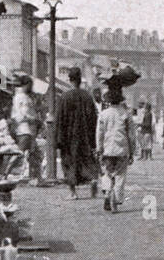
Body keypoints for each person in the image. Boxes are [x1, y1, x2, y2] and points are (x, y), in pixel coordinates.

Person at [56, 66, 99, 199]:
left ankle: (73, 192)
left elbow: (60, 119)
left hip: (69, 137)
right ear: (80, 80)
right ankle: (93, 180)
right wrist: (93, 138)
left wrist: (59, 139)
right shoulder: (87, 96)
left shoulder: (64, 97)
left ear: (70, 80)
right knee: (87, 160)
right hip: (85, 135)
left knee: (69, 162)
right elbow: (93, 118)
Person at [95, 84, 136, 212]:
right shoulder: (126, 114)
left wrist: (99, 149)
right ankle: (116, 200)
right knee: (120, 175)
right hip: (122, 149)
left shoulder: (103, 114)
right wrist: (132, 151)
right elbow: (131, 135)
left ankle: (107, 193)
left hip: (107, 149)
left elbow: (99, 134)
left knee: (107, 173)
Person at [10, 75, 41, 183]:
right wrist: (32, 119)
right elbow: (19, 115)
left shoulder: (27, 97)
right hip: (24, 130)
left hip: (30, 130)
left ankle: (35, 177)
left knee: (34, 154)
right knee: (19, 153)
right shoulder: (19, 97)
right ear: (25, 85)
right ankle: (6, 173)